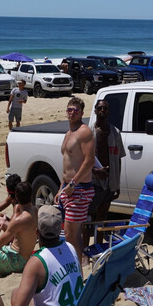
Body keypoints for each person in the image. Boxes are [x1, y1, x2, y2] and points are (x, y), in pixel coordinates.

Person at [11, 206, 83, 306]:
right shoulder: (70, 247)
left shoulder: (37, 262)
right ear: (59, 231)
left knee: (15, 296)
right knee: (36, 294)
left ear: (37, 232)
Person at [55, 97, 95, 274]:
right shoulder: (68, 133)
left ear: (81, 113)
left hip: (79, 189)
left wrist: (72, 183)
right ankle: (74, 269)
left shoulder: (84, 132)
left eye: (75, 110)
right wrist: (61, 187)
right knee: (68, 233)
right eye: (69, 109)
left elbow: (89, 161)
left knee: (72, 235)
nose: (71, 113)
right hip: (68, 188)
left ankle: (77, 272)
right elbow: (67, 163)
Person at [0, 180, 38, 275]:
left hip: (18, 262)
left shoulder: (19, 220)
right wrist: (4, 222)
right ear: (31, 195)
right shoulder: (34, 210)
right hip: (14, 252)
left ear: (16, 197)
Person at [88, 100, 126, 225]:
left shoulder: (115, 133)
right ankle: (87, 245)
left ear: (109, 111)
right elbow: (81, 160)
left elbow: (119, 159)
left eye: (105, 108)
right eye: (100, 108)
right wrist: (95, 171)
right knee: (89, 218)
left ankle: (98, 244)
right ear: (95, 111)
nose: (102, 110)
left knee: (102, 218)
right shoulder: (88, 133)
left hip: (110, 184)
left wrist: (117, 184)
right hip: (93, 182)